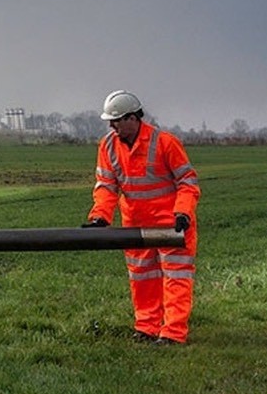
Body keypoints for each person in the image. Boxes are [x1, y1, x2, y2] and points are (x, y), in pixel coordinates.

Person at [83, 90, 200, 345]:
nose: (112, 126)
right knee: (142, 278)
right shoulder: (108, 145)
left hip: (172, 225)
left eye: (116, 120)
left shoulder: (165, 142)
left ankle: (173, 333)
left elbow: (187, 183)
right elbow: (106, 185)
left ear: (133, 118)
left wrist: (183, 213)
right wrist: (100, 217)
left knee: (176, 278)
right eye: (110, 122)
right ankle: (146, 328)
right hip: (135, 225)